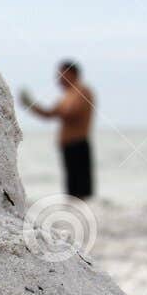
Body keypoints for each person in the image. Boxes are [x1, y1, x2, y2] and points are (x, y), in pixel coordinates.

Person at [21, 60, 95, 199]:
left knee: (81, 189)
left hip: (78, 144)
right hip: (68, 146)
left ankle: (86, 216)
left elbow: (72, 113)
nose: (59, 79)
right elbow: (49, 114)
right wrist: (30, 105)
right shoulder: (67, 95)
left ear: (72, 74)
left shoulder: (82, 91)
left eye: (62, 75)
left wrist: (59, 111)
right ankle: (75, 216)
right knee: (71, 189)